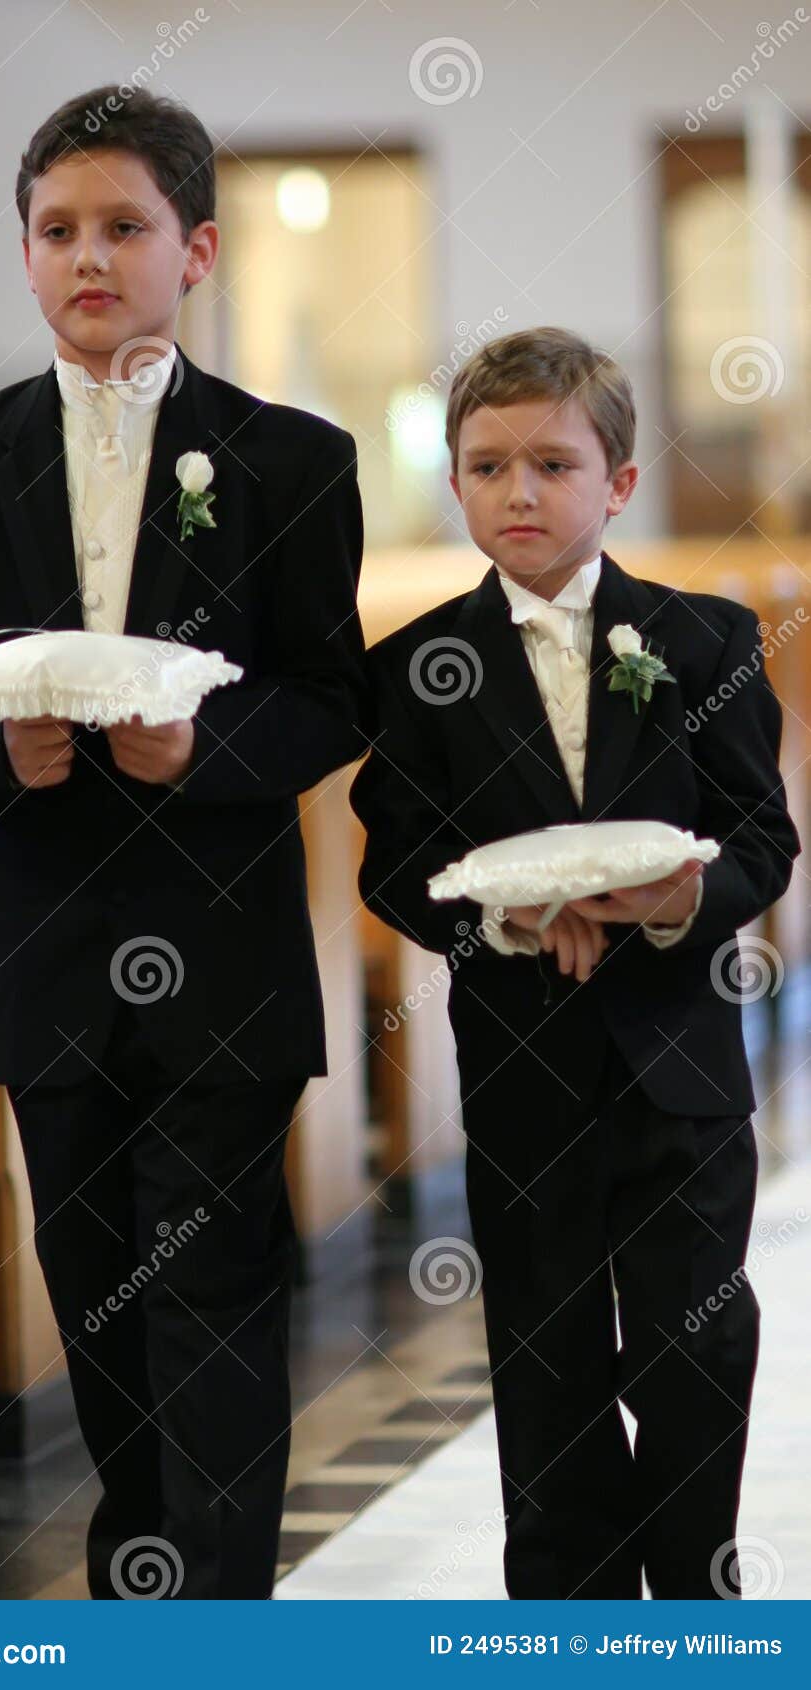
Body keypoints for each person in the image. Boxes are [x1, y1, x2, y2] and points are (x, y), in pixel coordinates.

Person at [0, 83, 367, 1600]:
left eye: (125, 227)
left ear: (195, 251)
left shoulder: (289, 459)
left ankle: (221, 1611)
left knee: (213, 1288)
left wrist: (205, 748)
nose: (91, 256)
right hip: (50, 944)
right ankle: (140, 1587)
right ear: (24, 253)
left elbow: (332, 700)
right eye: (58, 229)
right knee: (95, 1298)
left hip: (221, 943)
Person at [349, 325, 799, 1598]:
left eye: (553, 464)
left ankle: (696, 1602)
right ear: (456, 482)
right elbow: (397, 863)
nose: (520, 492)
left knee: (694, 1347)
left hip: (679, 1069)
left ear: (619, 483)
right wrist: (503, 919)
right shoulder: (417, 669)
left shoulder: (703, 642)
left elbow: (763, 837)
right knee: (546, 1361)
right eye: (488, 467)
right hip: (523, 1067)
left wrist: (678, 896)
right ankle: (571, 1621)